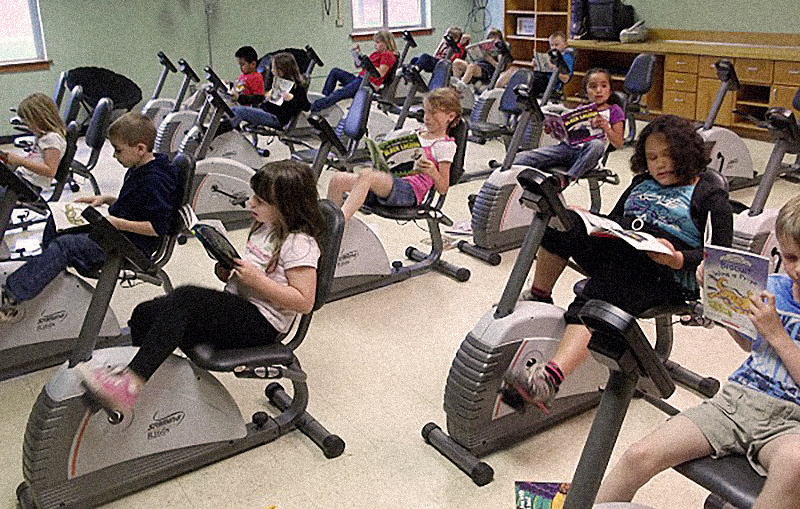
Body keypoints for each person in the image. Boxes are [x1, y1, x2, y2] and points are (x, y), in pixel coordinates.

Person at [503, 114, 734, 411]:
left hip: (668, 276)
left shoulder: (709, 194)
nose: (659, 164)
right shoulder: (642, 182)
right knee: (564, 222)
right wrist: (588, 220)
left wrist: (677, 258)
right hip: (624, 252)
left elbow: (721, 258)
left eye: (668, 155)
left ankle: (549, 379)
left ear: (686, 153)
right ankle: (539, 298)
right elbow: (615, 221)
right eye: (652, 157)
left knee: (610, 284)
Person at [595, 194, 800, 509]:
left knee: (794, 465)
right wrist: (726, 308)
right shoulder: (773, 287)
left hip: (793, 422)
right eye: (790, 258)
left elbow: (775, 341)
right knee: (639, 455)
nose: (797, 270)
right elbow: (751, 346)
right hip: (738, 402)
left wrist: (777, 334)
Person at [76, 160, 326, 414]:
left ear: (286, 207)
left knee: (186, 298)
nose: (251, 203)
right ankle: (142, 376)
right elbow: (255, 273)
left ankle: (130, 384)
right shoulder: (266, 227)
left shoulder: (299, 244)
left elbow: (304, 301)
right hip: (241, 307)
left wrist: (257, 281)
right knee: (145, 312)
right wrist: (229, 271)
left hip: (262, 324)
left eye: (260, 201)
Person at [0, 112, 178, 323]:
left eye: (118, 151)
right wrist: (105, 199)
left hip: (130, 243)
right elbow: (136, 205)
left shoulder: (155, 180)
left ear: (140, 149)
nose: (114, 156)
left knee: (66, 245)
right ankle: (43, 273)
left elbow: (157, 227)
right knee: (56, 222)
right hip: (115, 230)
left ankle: (10, 298)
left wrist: (116, 222)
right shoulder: (142, 166)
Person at [326, 87, 460, 222]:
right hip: (392, 182)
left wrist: (432, 171)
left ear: (450, 116)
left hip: (409, 191)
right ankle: (330, 225)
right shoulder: (415, 133)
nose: (427, 118)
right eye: (425, 112)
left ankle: (339, 225)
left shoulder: (445, 146)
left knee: (367, 175)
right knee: (337, 179)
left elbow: (443, 188)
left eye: (433, 114)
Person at [513, 68, 625, 183]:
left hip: (589, 154)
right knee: (521, 157)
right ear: (586, 92)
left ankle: (567, 178)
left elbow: (619, 143)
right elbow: (566, 134)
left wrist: (606, 127)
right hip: (567, 149)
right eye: (593, 87)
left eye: (604, 86)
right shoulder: (581, 109)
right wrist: (553, 129)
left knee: (597, 144)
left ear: (610, 90)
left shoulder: (614, 110)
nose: (598, 90)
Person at [310, 30, 398, 113]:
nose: (375, 45)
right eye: (375, 42)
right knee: (335, 72)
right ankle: (324, 99)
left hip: (369, 84)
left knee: (339, 93)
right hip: (361, 79)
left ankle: (313, 107)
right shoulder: (376, 54)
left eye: (378, 43)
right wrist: (357, 55)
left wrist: (368, 65)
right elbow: (358, 66)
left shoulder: (388, 55)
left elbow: (381, 73)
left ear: (386, 43)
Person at [0, 93, 66, 190]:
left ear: (39, 119)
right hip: (23, 179)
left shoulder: (52, 139)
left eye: (29, 123)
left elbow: (50, 171)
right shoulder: (44, 137)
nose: (28, 127)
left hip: (28, 185)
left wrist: (20, 161)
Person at [228, 52, 310, 130]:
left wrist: (292, 98)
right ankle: (225, 128)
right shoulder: (279, 83)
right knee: (234, 110)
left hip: (276, 118)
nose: (272, 71)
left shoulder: (297, 87)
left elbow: (306, 106)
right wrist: (267, 97)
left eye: (274, 68)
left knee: (240, 111)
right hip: (267, 111)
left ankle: (223, 129)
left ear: (282, 69)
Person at [496, 30, 573, 96]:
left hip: (547, 83)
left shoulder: (567, 57)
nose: (553, 48)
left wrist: (553, 67)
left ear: (565, 45)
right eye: (551, 45)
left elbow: (565, 79)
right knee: (513, 69)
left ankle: (504, 91)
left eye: (556, 45)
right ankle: (496, 91)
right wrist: (536, 65)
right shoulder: (550, 55)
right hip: (539, 76)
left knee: (523, 77)